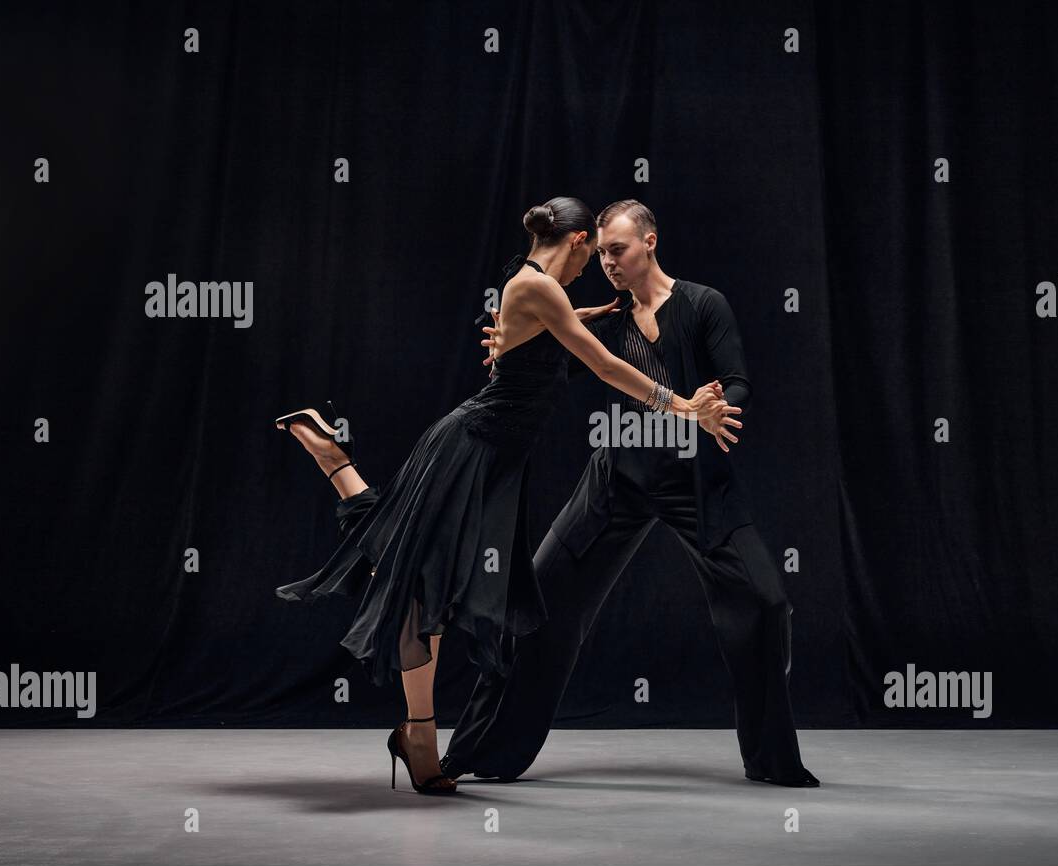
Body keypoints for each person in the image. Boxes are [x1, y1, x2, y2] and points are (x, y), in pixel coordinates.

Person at [274, 197, 733, 795]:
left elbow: (555, 334)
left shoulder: (538, 287)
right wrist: (683, 405)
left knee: (414, 572)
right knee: (417, 583)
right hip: (472, 449)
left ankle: (336, 461)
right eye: (589, 256)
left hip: (491, 459)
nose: (589, 268)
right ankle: (419, 736)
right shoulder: (536, 286)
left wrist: (587, 312)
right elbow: (602, 367)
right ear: (574, 243)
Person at [442, 199, 819, 787]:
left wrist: (720, 402)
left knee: (765, 605)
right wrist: (508, 343)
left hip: (695, 484)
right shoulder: (609, 318)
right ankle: (480, 753)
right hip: (618, 477)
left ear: (649, 242)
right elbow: (549, 361)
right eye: (602, 253)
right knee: (538, 607)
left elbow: (738, 377)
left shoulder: (702, 304)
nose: (608, 263)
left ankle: (772, 760)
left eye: (617, 250)